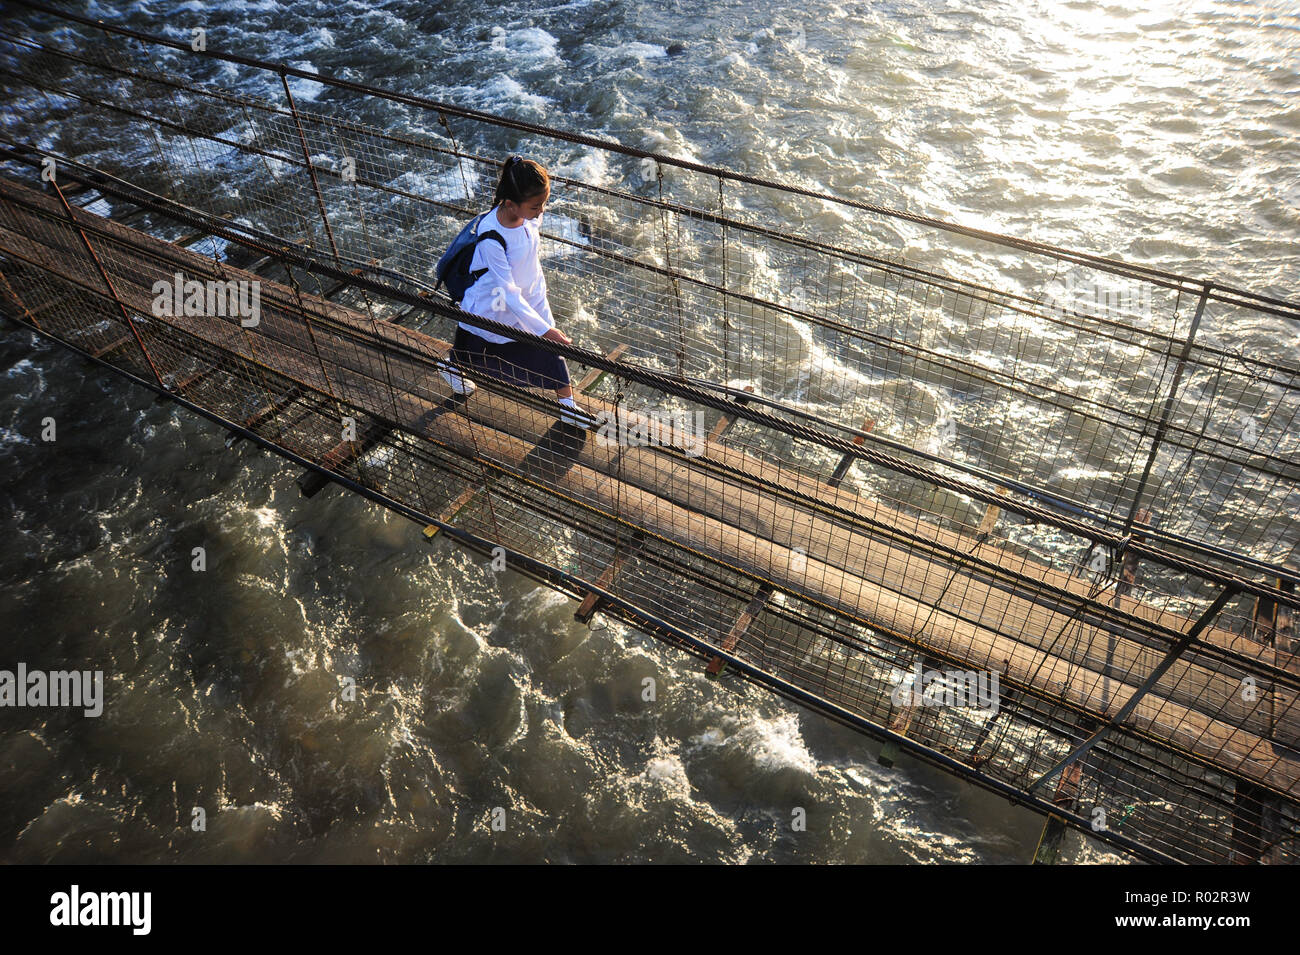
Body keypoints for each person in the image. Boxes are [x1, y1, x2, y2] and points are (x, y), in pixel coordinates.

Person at [441, 155, 593, 428]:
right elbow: (508, 293)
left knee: (549, 353)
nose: (542, 211)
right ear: (510, 204)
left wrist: (543, 325)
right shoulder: (491, 237)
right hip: (495, 302)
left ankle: (568, 407)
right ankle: (451, 367)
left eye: (544, 203)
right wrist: (545, 330)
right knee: (473, 344)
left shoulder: (528, 216)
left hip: (530, 298)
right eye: (536, 206)